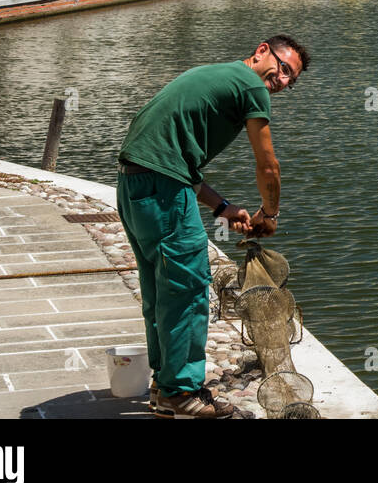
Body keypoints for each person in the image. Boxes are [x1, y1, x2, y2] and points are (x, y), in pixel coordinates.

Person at [115, 35, 307, 419]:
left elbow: (175, 161)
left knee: (160, 289)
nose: (283, 81)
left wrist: (221, 207)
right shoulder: (253, 87)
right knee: (187, 291)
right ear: (262, 50)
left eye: (292, 80)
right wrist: (269, 215)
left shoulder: (217, 76)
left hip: (134, 184)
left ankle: (164, 386)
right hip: (164, 190)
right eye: (284, 68)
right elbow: (267, 164)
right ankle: (182, 392)